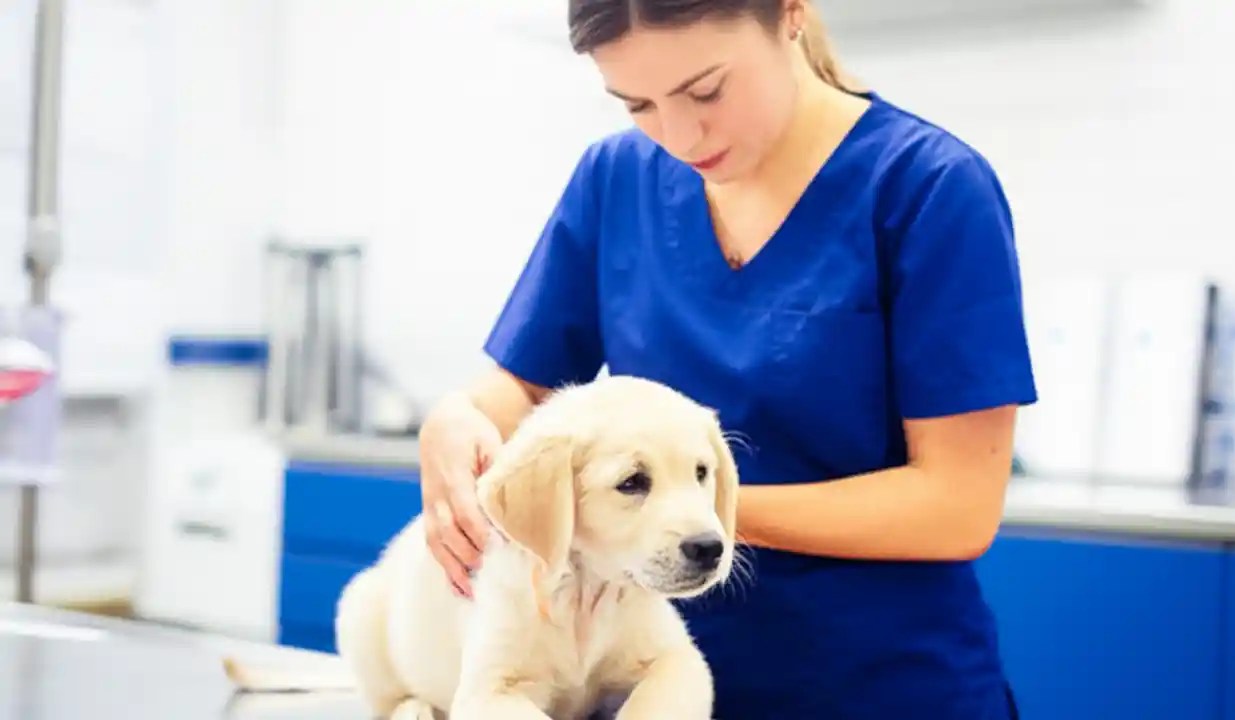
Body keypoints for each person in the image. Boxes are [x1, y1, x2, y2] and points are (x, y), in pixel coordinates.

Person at [415, 1, 1038, 717]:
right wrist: (457, 417)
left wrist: (686, 518)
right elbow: (517, 386)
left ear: (791, 13)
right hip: (657, 689)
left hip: (878, 687)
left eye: (706, 90)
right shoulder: (617, 178)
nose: (679, 136)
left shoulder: (929, 187)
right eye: (638, 104)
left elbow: (955, 507)